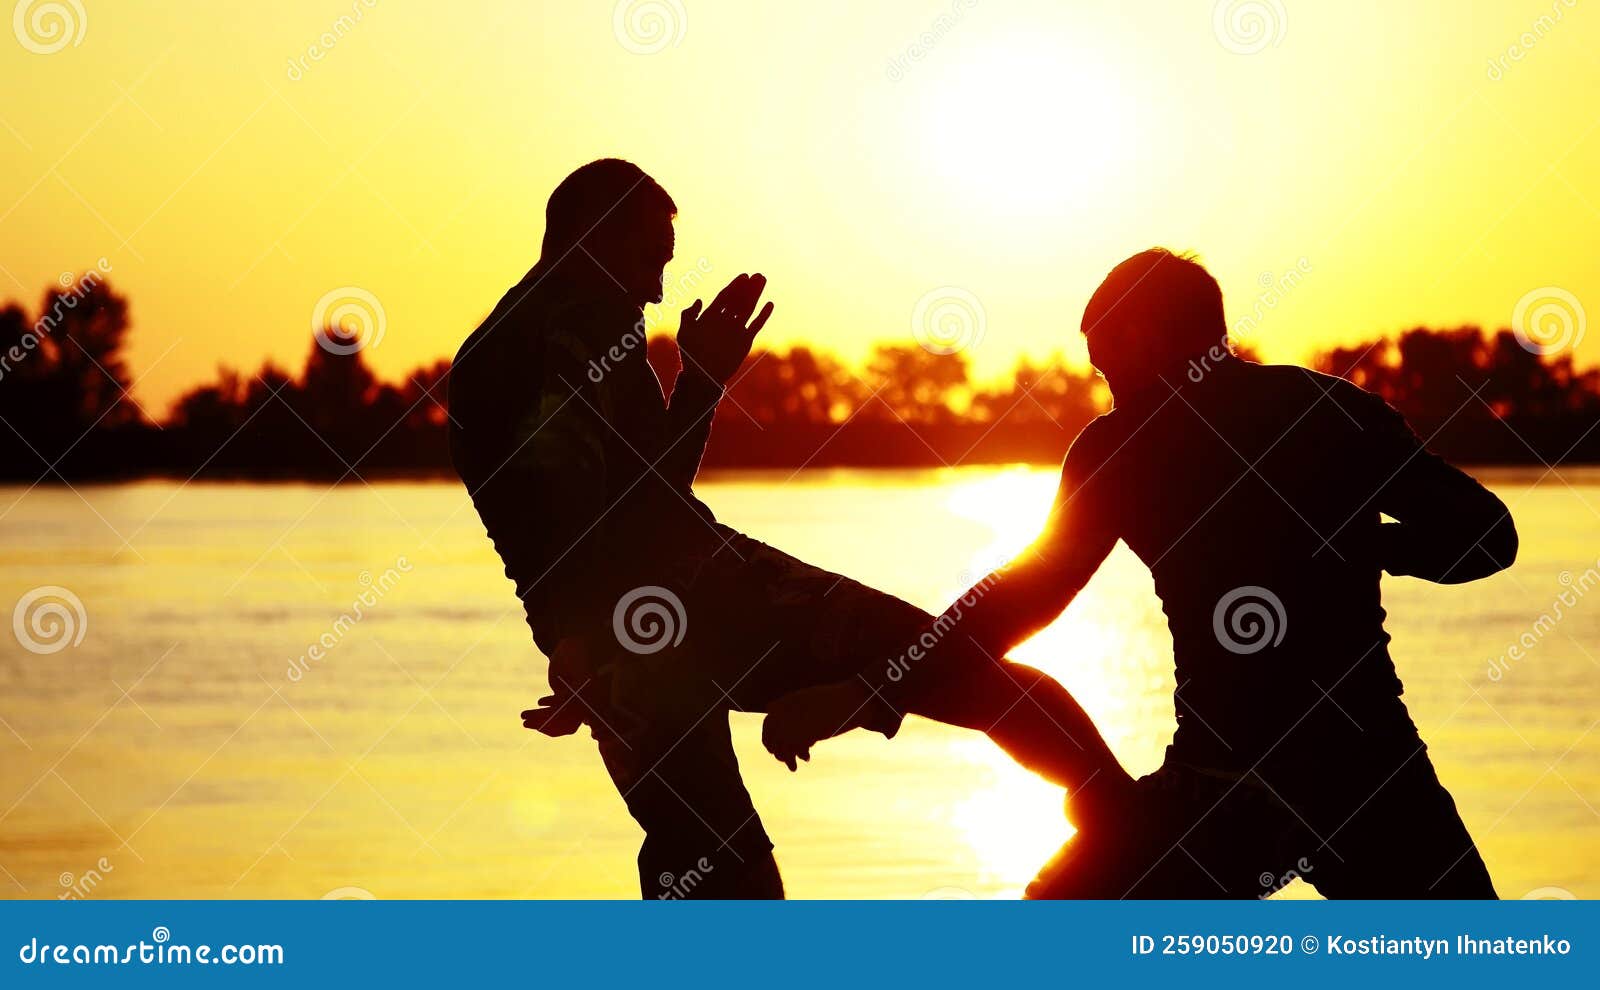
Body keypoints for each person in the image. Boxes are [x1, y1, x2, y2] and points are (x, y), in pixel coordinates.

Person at [447, 159, 1133, 899]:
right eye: (649, 260)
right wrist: (575, 637)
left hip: (650, 618)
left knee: (717, 859)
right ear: (590, 237)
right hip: (671, 613)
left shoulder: (579, 320)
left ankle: (1122, 814)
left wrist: (699, 383)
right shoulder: (552, 338)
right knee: (940, 668)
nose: (656, 287)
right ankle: (1126, 814)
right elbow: (592, 519)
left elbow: (637, 492)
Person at [764, 248, 1516, 898]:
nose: (1108, 390)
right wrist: (1368, 550)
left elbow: (1022, 601)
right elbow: (1486, 537)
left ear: (1155, 336)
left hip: (1238, 788)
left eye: (1110, 365)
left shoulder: (1125, 446)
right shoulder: (1331, 411)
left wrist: (872, 688)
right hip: (1345, 778)